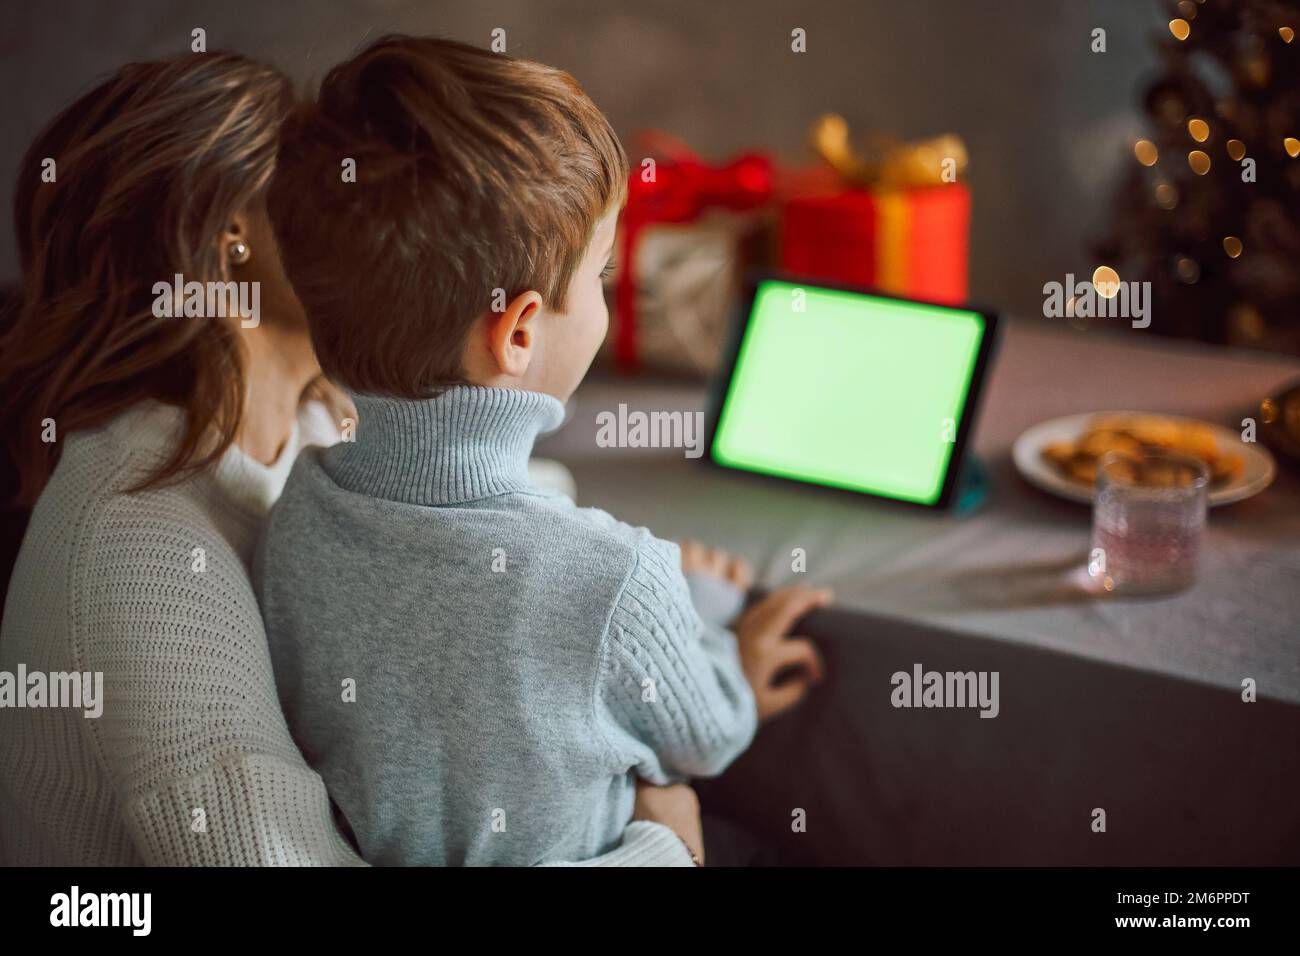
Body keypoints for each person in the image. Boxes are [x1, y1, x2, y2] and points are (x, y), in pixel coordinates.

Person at [0, 51, 698, 867]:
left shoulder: (316, 413)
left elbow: (469, 511)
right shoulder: (142, 551)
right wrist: (665, 851)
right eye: (310, 169)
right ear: (231, 239)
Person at [257, 35, 831, 866]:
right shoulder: (615, 577)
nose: (604, 302)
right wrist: (720, 634)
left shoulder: (296, 514)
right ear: (519, 330)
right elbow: (701, 739)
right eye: (599, 279)